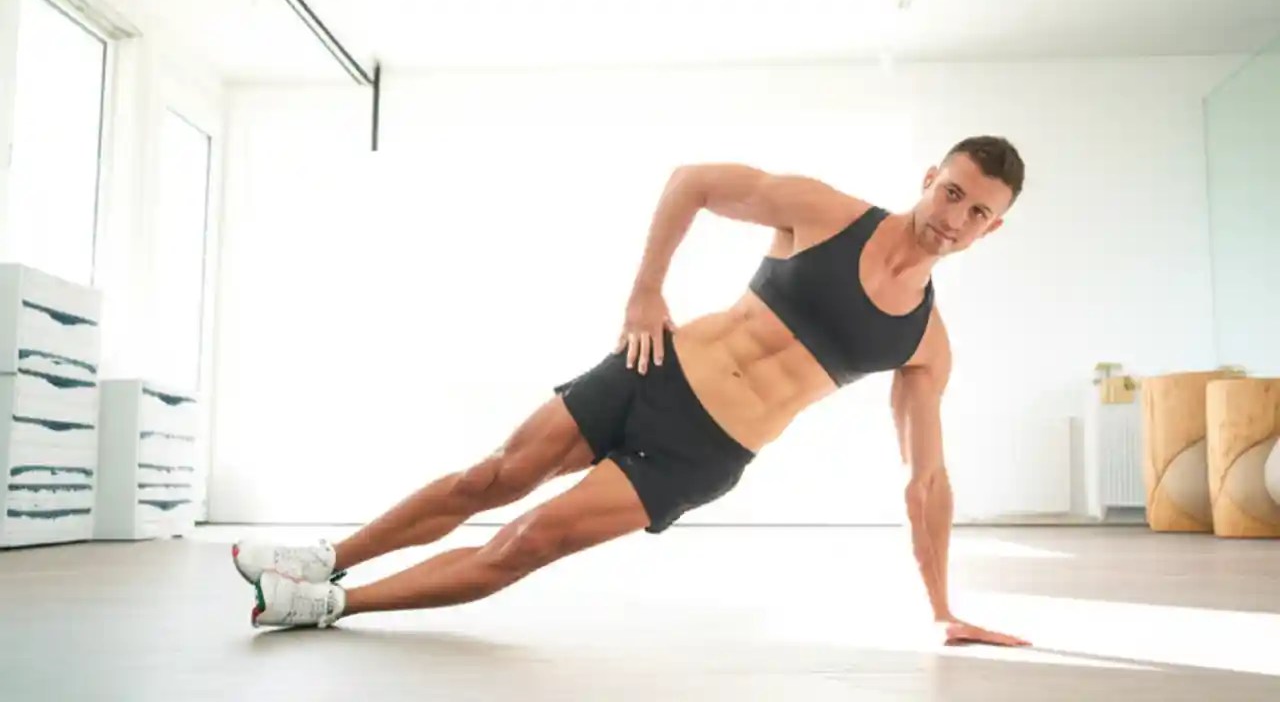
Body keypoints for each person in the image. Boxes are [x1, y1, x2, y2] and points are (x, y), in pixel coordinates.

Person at [233, 135, 1031, 647]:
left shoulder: (923, 344)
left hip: (697, 454)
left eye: (979, 212)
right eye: (952, 192)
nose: (955, 217)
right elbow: (693, 181)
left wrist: (942, 607)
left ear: (992, 231)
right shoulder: (829, 214)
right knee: (492, 478)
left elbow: (926, 482)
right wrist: (645, 292)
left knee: (526, 542)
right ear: (930, 178)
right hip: (655, 367)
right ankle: (327, 557)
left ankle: (334, 604)